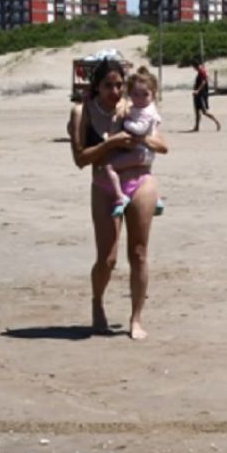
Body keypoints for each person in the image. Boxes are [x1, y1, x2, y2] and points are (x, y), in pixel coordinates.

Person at [68, 60, 169, 341]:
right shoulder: (82, 112)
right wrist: (111, 143)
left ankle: (136, 318)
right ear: (96, 87)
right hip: (105, 185)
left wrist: (142, 137)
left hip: (140, 182)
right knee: (108, 258)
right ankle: (97, 301)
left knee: (138, 253)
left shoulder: (133, 106)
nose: (115, 91)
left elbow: (163, 145)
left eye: (118, 85)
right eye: (108, 85)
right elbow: (80, 159)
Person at [102, 72, 164, 218]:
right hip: (143, 154)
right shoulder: (146, 108)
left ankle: (120, 197)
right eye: (135, 94)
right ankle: (156, 198)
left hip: (141, 153)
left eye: (144, 94)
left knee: (110, 166)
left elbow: (140, 129)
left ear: (153, 94)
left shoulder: (145, 112)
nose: (140, 98)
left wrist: (127, 123)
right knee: (143, 171)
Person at [191, 60, 221, 132]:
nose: (193, 68)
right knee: (197, 112)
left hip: (201, 94)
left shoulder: (202, 71)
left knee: (204, 112)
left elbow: (203, 82)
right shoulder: (200, 72)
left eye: (193, 67)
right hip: (197, 94)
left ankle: (217, 122)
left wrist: (198, 90)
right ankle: (196, 127)